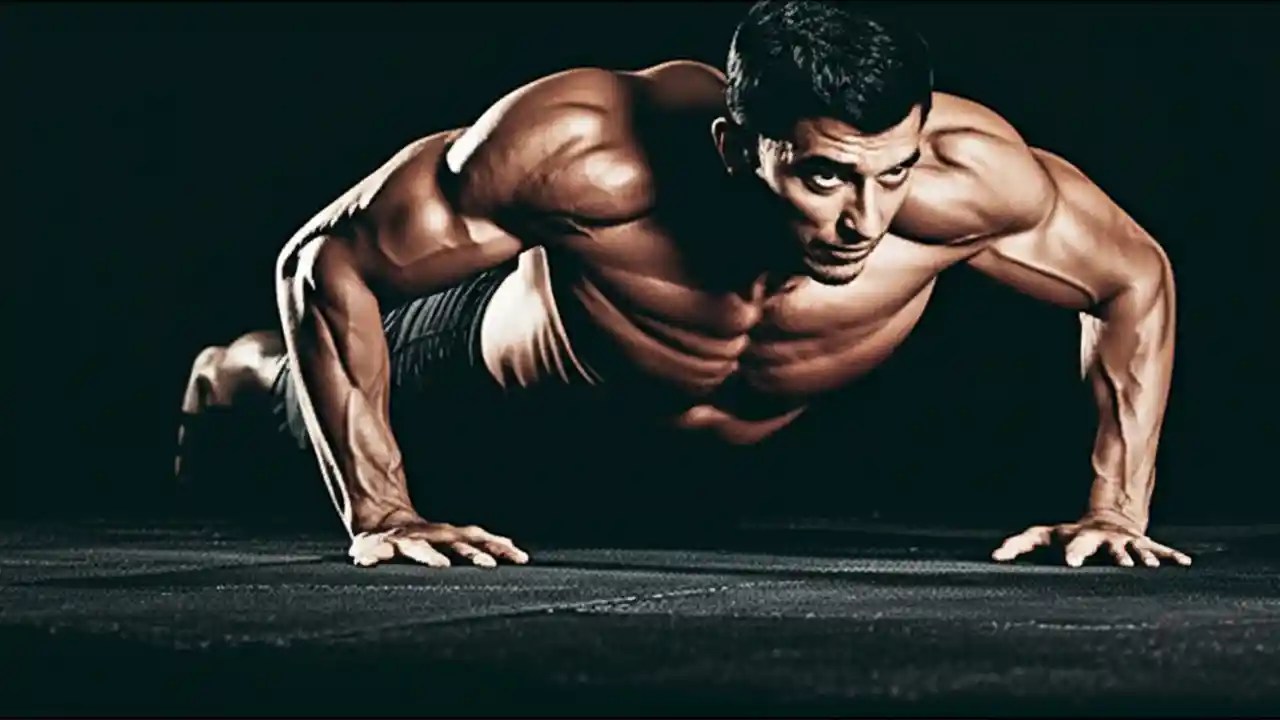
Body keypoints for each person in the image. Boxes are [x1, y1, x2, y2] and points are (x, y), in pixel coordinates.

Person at [178, 0, 1193, 571]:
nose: (864, 218)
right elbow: (326, 263)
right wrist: (384, 513)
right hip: (489, 412)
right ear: (733, 147)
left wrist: (1115, 508)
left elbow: (1131, 278)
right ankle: (239, 372)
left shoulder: (969, 182)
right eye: (823, 174)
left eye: (891, 171)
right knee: (269, 417)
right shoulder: (584, 152)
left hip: (721, 480)